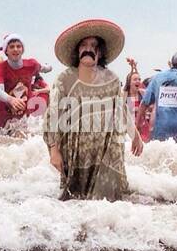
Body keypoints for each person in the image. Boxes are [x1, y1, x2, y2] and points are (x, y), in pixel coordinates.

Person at [44, 20, 143, 201]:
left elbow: (121, 111)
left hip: (107, 151)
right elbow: (52, 114)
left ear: (99, 52)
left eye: (93, 45)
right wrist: (53, 150)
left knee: (111, 202)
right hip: (76, 153)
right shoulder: (65, 78)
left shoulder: (111, 79)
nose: (88, 49)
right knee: (74, 202)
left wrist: (135, 135)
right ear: (77, 50)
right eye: (84, 45)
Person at [139, 50, 177, 142]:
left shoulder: (157, 78)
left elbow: (144, 104)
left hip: (160, 129)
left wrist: (137, 126)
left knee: (160, 155)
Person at [0, 35, 50, 132]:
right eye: (11, 47)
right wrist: (11, 99)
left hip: (26, 117)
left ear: (22, 49)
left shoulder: (32, 64)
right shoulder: (0, 68)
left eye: (18, 46)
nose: (15, 49)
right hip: (5, 117)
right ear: (6, 51)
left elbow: (44, 68)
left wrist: (48, 67)